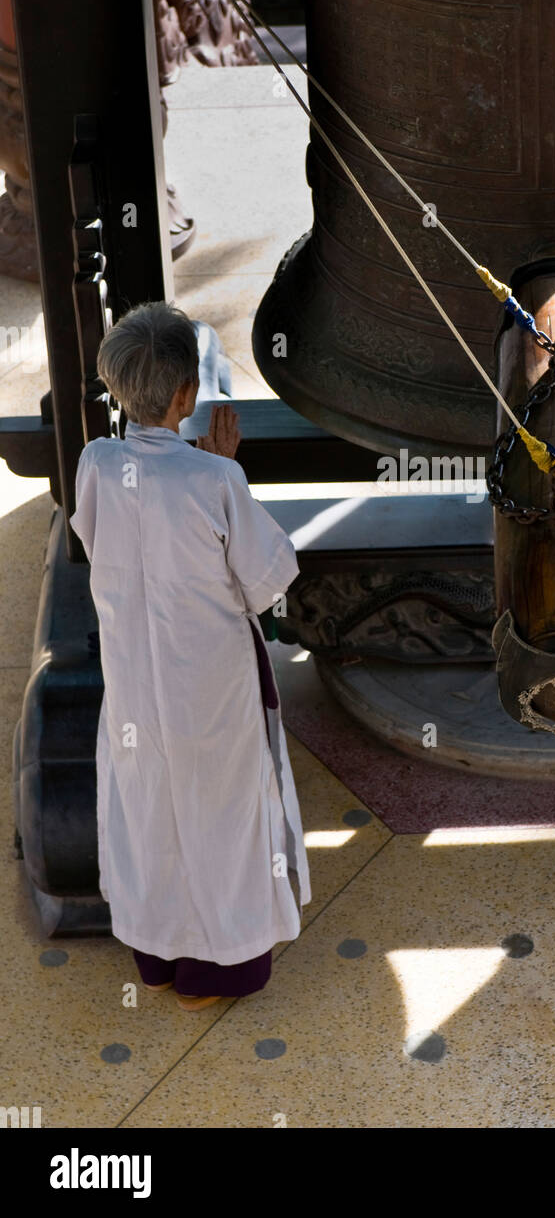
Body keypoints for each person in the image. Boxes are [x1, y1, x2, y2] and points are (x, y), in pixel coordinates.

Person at [70, 301, 310, 1010]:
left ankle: (158, 959)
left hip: (135, 678)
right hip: (209, 684)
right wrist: (221, 473)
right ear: (185, 396)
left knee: (149, 809)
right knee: (221, 815)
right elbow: (268, 580)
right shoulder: (215, 481)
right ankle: (218, 970)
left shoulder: (96, 462)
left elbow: (100, 537)